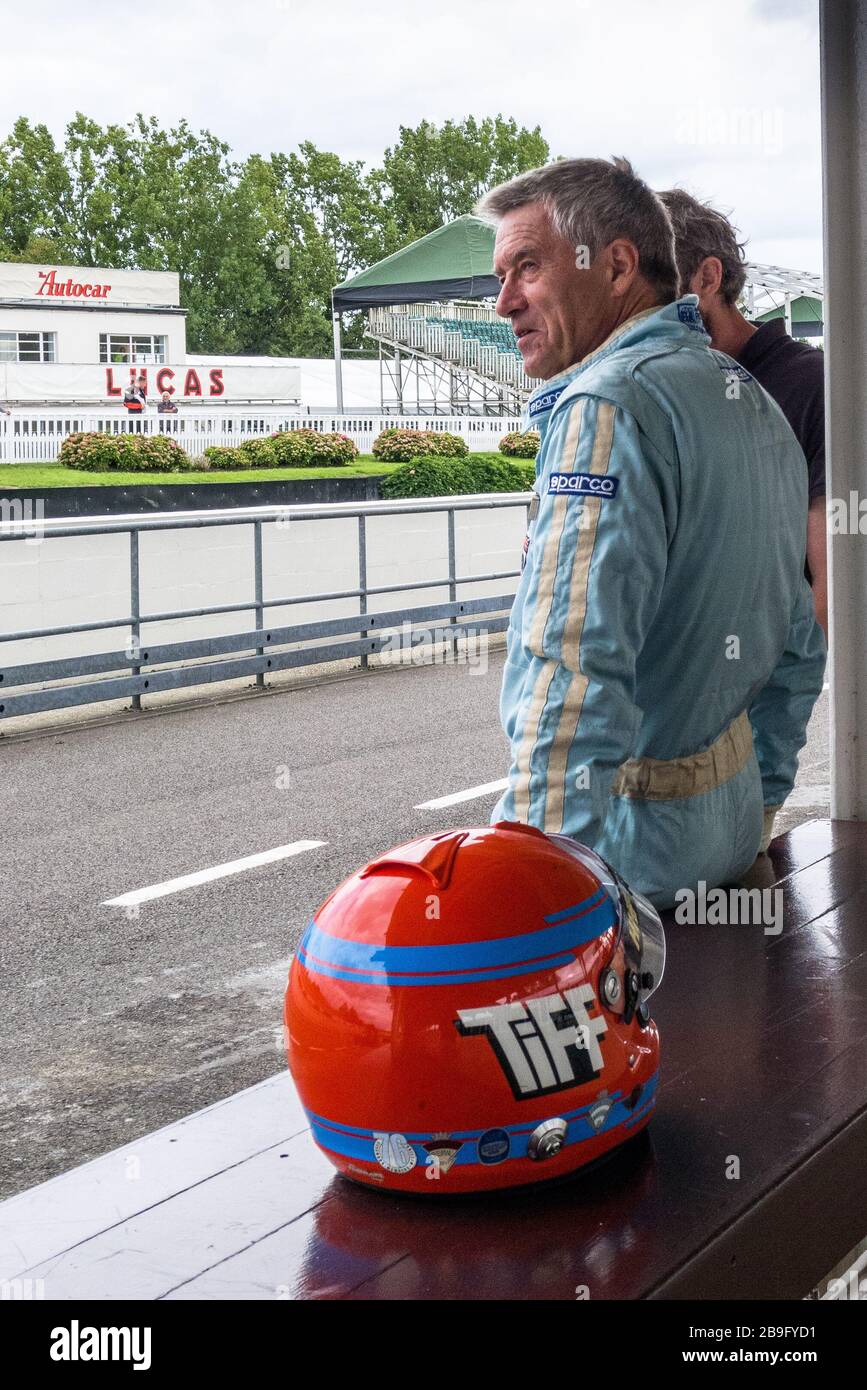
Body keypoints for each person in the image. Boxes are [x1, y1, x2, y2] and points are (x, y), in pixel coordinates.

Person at [476, 157, 826, 908]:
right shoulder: (749, 403)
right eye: (499, 277)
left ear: (616, 265)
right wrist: (755, 802)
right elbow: (797, 643)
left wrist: (530, 898)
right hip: (724, 838)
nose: (502, 303)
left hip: (627, 869)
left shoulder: (607, 407)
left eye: (525, 268)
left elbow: (568, 676)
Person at [659, 188, 827, 638]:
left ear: (708, 278)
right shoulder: (662, 387)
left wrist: (778, 692)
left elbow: (831, 586)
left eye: (655, 286)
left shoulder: (811, 383)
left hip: (756, 675)